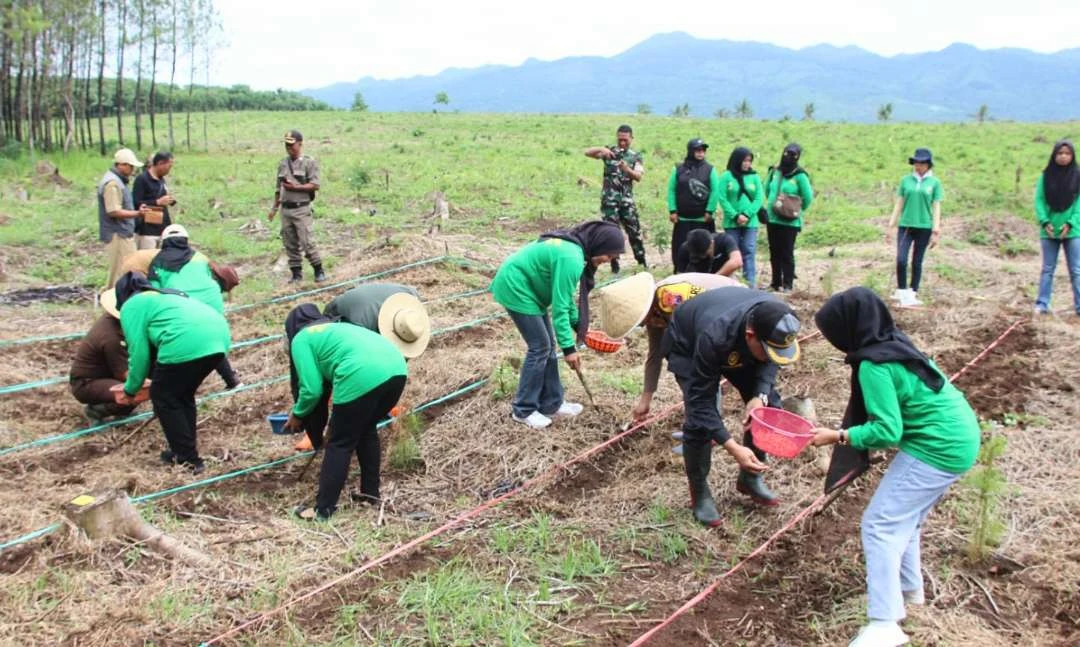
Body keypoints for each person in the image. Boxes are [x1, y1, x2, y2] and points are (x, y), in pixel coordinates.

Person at [810, 287, 980, 647]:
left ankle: (885, 623)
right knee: (905, 519)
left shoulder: (874, 365)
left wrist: (838, 436)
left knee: (879, 524)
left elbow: (887, 431)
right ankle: (910, 591)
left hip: (938, 446)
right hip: (959, 434)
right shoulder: (893, 343)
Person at [662, 287, 801, 525]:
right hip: (688, 342)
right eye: (767, 351)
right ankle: (700, 491)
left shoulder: (776, 318)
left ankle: (750, 478)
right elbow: (701, 403)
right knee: (699, 422)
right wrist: (733, 446)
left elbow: (772, 359)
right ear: (750, 334)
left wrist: (759, 395)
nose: (771, 357)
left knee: (768, 407)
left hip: (739, 345)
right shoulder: (714, 335)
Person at [490, 220, 625, 429]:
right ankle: (523, 410)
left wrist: (580, 327)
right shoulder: (571, 258)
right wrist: (570, 349)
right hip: (516, 287)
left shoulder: (576, 251)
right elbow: (559, 309)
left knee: (547, 346)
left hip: (531, 289)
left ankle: (552, 403)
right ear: (599, 245)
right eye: (608, 255)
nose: (608, 260)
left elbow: (566, 299)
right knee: (540, 346)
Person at [283, 306, 411, 520]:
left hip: (361, 374)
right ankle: (370, 494)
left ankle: (323, 510)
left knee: (340, 443)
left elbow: (311, 389)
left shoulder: (301, 339)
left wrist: (298, 414)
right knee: (366, 431)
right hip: (397, 370)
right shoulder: (338, 327)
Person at [110, 271, 232, 474]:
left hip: (185, 342)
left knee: (164, 395)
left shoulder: (133, 305)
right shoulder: (165, 296)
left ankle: (187, 458)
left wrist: (131, 389)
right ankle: (186, 450)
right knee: (182, 395)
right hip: (218, 337)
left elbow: (138, 353)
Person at [630, 272, 743, 425]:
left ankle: (708, 428)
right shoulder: (654, 311)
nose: (645, 324)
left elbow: (701, 348)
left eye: (642, 320)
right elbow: (655, 356)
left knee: (687, 364)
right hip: (710, 317)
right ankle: (700, 422)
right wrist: (645, 400)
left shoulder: (671, 299)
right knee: (679, 361)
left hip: (735, 307)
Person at [147, 224, 242, 389]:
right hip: (212, 301)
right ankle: (232, 380)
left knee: (175, 342)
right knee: (211, 340)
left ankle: (167, 385)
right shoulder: (199, 256)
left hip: (182, 305)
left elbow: (152, 291)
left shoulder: (157, 262)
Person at [585, 125, 647, 267]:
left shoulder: (635, 156)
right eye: (620, 140)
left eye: (625, 140)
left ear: (631, 138)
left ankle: (641, 261)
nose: (622, 143)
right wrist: (601, 149)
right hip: (609, 202)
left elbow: (638, 176)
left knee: (634, 232)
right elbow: (587, 153)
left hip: (626, 202)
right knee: (611, 233)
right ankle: (614, 263)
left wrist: (627, 170)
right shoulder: (609, 153)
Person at [887, 148, 943, 306]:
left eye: (921, 163)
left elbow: (936, 206)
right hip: (906, 226)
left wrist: (936, 230)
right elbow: (899, 202)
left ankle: (913, 293)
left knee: (917, 261)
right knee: (901, 259)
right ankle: (901, 290)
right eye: (916, 163)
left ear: (928, 165)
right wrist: (891, 224)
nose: (918, 166)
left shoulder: (935, 183)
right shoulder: (906, 180)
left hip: (924, 227)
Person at [268, 130, 325, 283]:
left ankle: (318, 270)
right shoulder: (282, 163)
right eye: (287, 145)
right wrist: (274, 208)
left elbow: (315, 185)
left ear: (300, 144)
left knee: (307, 241)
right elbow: (277, 188)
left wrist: (296, 188)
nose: (289, 148)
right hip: (286, 209)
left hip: (301, 208)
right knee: (289, 242)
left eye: (292, 145)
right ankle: (296, 274)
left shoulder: (309, 162)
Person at [69, 293, 136, 422]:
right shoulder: (112, 336)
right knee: (134, 389)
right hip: (87, 383)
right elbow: (126, 374)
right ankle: (95, 412)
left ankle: (121, 411)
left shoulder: (113, 322)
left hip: (105, 375)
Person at [1033, 140, 1080, 315]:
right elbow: (1039, 201)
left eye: (1067, 153)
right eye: (1060, 153)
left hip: (1073, 231)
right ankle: (1042, 304)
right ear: (1054, 156)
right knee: (1047, 269)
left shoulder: (1078, 175)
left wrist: (1071, 223)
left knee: (1076, 270)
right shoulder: (1045, 176)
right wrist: (1045, 222)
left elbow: (1079, 204)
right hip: (1049, 230)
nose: (1063, 156)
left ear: (1072, 155)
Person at [98, 148, 150, 289]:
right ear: (122, 165)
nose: (132, 170)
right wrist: (137, 214)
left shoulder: (118, 182)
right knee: (119, 272)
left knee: (126, 269)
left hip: (123, 232)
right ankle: (111, 302)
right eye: (131, 166)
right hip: (117, 234)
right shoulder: (112, 184)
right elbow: (113, 210)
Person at [764, 143, 813, 292]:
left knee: (787, 252)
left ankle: (788, 284)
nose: (789, 157)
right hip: (773, 218)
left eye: (793, 155)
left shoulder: (800, 175)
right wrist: (776, 205)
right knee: (774, 251)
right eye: (787, 154)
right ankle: (775, 282)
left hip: (790, 221)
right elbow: (767, 189)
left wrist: (794, 209)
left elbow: (808, 197)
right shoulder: (775, 172)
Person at [666, 138, 720, 267]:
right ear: (691, 151)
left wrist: (709, 210)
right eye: (698, 150)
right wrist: (672, 210)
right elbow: (671, 190)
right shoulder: (678, 169)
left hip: (702, 219)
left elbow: (715, 191)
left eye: (703, 150)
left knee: (704, 250)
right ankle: (680, 271)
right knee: (680, 248)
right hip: (682, 219)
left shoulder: (710, 169)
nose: (701, 153)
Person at [717, 147, 765, 287]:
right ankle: (729, 283)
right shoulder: (726, 176)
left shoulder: (754, 177)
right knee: (732, 252)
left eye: (749, 161)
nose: (746, 164)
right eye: (744, 160)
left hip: (750, 222)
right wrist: (735, 215)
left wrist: (746, 214)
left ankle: (750, 284)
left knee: (749, 250)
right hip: (732, 222)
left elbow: (758, 198)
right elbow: (722, 198)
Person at [131, 151, 177, 250]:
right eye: (168, 167)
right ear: (160, 163)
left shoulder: (161, 179)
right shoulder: (142, 179)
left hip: (161, 228)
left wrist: (169, 200)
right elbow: (136, 203)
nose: (169, 170)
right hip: (147, 231)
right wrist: (157, 202)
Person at [675, 229, 743, 277]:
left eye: (704, 253)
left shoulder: (724, 239)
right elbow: (680, 275)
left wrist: (715, 278)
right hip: (698, 277)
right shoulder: (684, 248)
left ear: (712, 243)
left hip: (724, 275)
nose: (702, 257)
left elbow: (737, 261)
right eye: (698, 255)